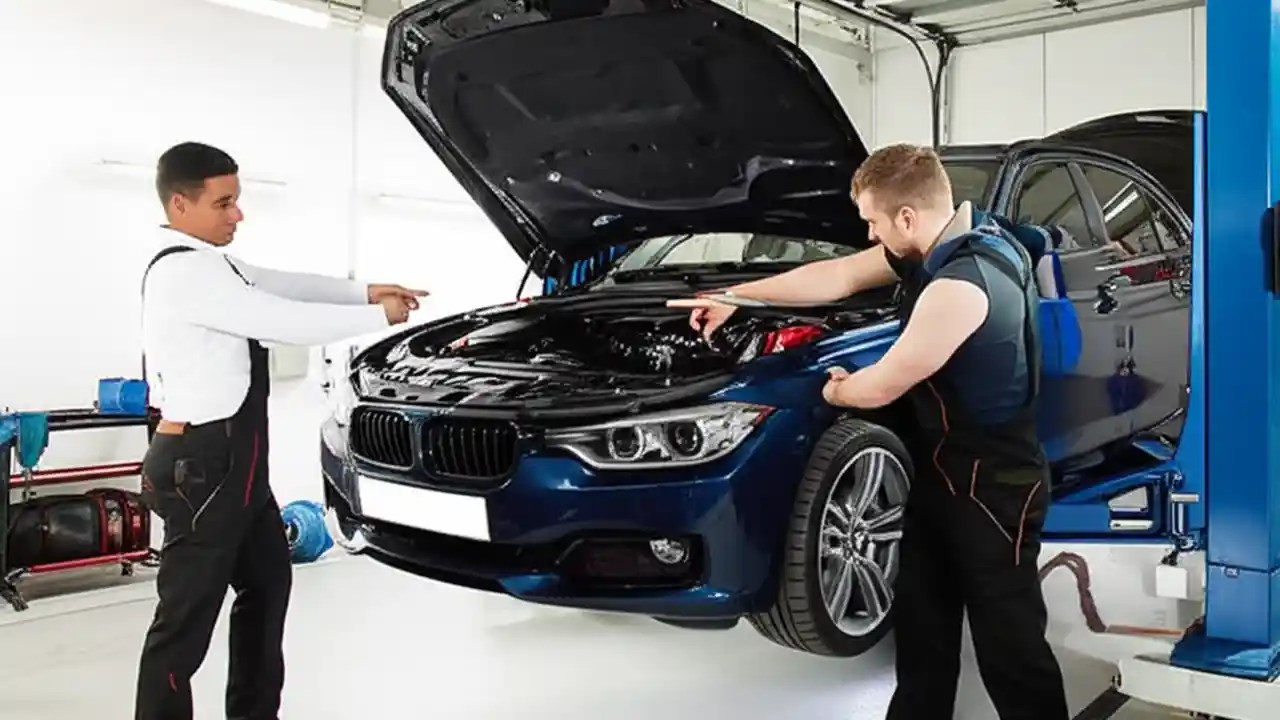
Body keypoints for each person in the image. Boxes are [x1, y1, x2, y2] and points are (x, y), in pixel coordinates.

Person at [668, 144, 1069, 719]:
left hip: (993, 488)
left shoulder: (962, 284)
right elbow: (837, 276)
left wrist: (834, 389)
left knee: (1010, 644)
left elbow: (878, 387)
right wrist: (738, 295)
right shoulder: (952, 238)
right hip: (939, 472)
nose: (869, 235)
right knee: (924, 628)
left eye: (873, 221)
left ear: (907, 217)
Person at [134, 141, 427, 720]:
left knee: (267, 589)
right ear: (180, 203)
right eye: (224, 204)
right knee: (184, 626)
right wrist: (375, 318)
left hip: (237, 465)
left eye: (237, 201)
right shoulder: (184, 272)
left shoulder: (214, 262)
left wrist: (366, 289)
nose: (237, 215)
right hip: (202, 466)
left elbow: (282, 284)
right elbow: (280, 319)